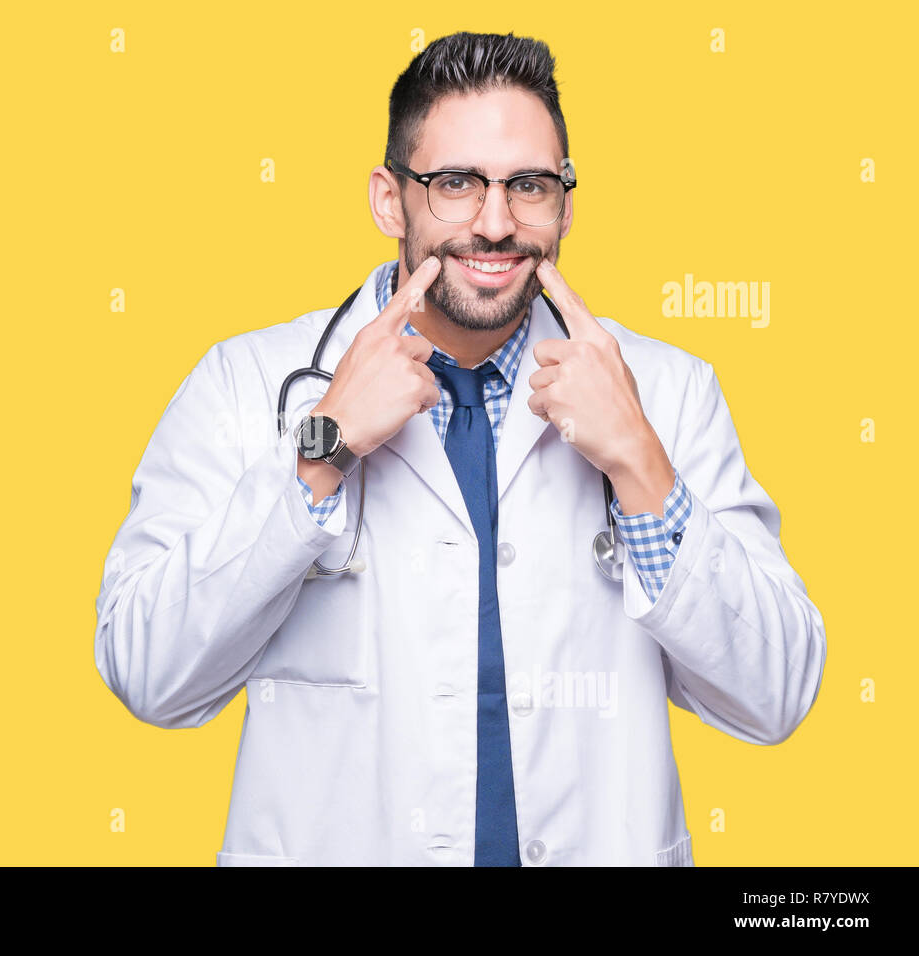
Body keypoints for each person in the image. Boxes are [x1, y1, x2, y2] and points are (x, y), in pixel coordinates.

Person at [93, 31, 826, 866]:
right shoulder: (248, 383)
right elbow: (149, 674)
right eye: (454, 184)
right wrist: (320, 455)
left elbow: (776, 695)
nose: (495, 224)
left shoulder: (667, 392)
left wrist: (641, 469)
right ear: (387, 199)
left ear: (567, 204)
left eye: (529, 186)